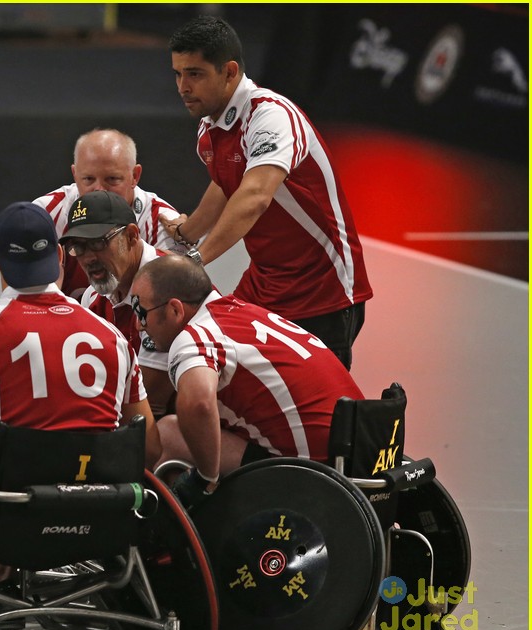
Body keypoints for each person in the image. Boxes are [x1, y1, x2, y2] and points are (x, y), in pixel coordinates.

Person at [167, 15, 372, 370]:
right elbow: (225, 184)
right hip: (265, 282)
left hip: (322, 291)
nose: (183, 86)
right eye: (178, 73)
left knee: (318, 409)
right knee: (233, 376)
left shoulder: (271, 118)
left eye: (195, 74)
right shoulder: (209, 127)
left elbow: (254, 197)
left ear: (230, 72)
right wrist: (186, 233)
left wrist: (195, 261)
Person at [0, 201, 159, 464]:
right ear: (59, 255)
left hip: (11, 496)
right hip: (101, 493)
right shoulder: (113, 338)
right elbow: (150, 448)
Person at [131, 255, 364, 508]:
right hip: (358, 453)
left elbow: (198, 404)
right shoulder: (239, 311)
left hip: (317, 474)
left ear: (175, 310)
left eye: (141, 313)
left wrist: (204, 479)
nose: (138, 326)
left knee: (165, 436)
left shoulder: (194, 337)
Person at [59, 190, 179, 417]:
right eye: (79, 247)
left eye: (97, 243)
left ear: (132, 236)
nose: (87, 258)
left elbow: (151, 401)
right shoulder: (92, 298)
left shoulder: (169, 285)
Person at [32, 128, 185, 298]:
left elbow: (176, 306)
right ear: (75, 175)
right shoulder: (44, 215)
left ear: (135, 175)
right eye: (88, 179)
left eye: (112, 179)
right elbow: (21, 299)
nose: (99, 189)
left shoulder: (164, 222)